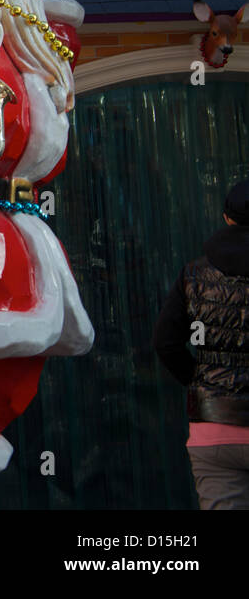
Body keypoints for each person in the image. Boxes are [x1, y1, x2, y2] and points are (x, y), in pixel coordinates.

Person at [153, 180, 249, 509]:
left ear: (226, 218)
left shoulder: (193, 274)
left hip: (214, 429)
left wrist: (200, 382)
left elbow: (165, 343)